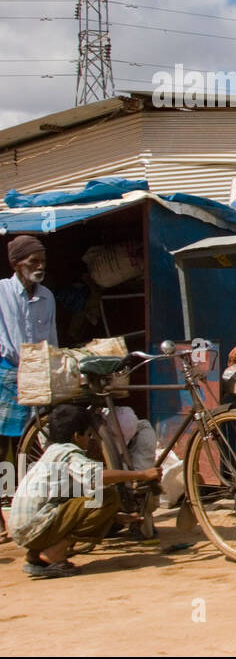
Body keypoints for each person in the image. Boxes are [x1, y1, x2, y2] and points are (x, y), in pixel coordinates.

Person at [10, 404, 162, 578]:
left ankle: (36, 555)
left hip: (24, 530)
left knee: (93, 497)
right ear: (77, 435)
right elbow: (97, 477)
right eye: (88, 435)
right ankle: (54, 553)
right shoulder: (69, 453)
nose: (89, 440)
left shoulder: (50, 453)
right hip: (35, 528)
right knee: (107, 496)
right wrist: (142, 474)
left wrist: (113, 517)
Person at [0, 235, 58, 544]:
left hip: (39, 371)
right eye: (33, 262)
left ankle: (28, 501)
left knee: (37, 437)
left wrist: (54, 365)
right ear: (16, 264)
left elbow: (51, 336)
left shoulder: (47, 296)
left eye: (42, 262)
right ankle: (4, 507)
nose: (39, 267)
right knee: (5, 443)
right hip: (7, 372)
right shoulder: (1, 292)